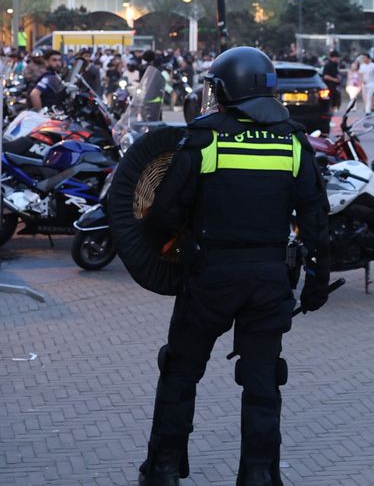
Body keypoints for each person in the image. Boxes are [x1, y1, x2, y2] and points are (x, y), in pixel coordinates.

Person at [135, 46, 330, 486]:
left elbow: (164, 213)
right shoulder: (293, 143)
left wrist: (158, 253)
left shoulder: (205, 139)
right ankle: (260, 475)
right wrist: (317, 281)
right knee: (263, 383)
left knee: (180, 370)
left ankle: (164, 469)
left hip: (210, 278)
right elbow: (316, 222)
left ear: (224, 91)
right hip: (268, 280)